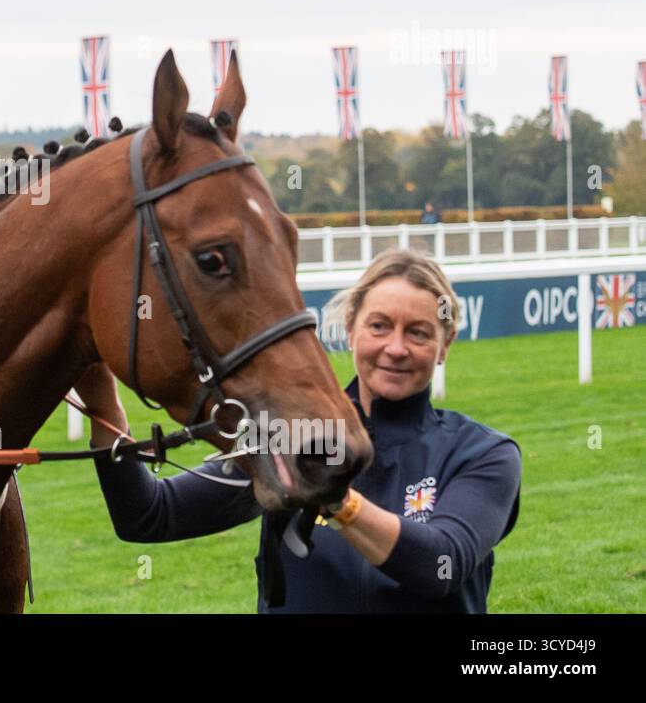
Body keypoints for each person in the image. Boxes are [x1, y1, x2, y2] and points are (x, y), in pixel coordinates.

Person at [82, 248, 522, 612]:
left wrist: (334, 497)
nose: (395, 348)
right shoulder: (292, 435)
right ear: (350, 326)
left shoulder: (484, 453)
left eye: (419, 333)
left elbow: (439, 564)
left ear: (445, 345)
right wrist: (103, 404)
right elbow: (150, 515)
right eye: (379, 325)